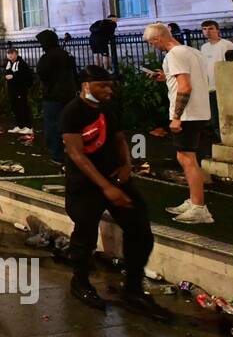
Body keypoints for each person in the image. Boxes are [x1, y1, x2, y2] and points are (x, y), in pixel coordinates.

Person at [60, 66, 172, 321]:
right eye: (103, 86)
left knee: (140, 230)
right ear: (87, 85)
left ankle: (133, 288)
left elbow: (120, 138)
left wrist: (126, 165)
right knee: (85, 235)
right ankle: (80, 282)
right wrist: (105, 187)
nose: (109, 90)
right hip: (86, 185)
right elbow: (76, 153)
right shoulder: (72, 112)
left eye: (111, 86)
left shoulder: (110, 107)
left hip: (115, 177)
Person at [143, 22, 214, 223]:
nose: (152, 46)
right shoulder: (192, 51)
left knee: (187, 158)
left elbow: (184, 87)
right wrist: (164, 77)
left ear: (157, 39)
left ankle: (199, 207)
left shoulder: (174, 55)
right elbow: (185, 80)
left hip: (187, 114)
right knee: (186, 156)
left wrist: (176, 117)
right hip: (199, 111)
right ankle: (194, 200)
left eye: (151, 42)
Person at [35, 29, 77, 163]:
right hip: (69, 95)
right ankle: (72, 150)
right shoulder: (66, 55)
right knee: (69, 124)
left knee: (53, 126)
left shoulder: (47, 57)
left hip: (53, 96)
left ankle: (57, 154)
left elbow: (42, 74)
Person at [199, 20, 233, 147]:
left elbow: (232, 66)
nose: (207, 32)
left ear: (217, 30)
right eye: (204, 29)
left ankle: (230, 143)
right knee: (215, 119)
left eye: (210, 29)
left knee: (226, 117)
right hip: (210, 88)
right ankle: (223, 142)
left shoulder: (226, 45)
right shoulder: (204, 47)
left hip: (224, 88)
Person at [3, 47, 34, 135]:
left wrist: (13, 77)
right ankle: (20, 125)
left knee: (23, 107)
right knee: (15, 107)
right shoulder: (8, 63)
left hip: (20, 89)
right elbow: (6, 73)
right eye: (9, 54)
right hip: (12, 89)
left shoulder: (21, 64)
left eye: (12, 54)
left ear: (16, 54)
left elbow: (26, 76)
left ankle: (28, 126)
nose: (10, 56)